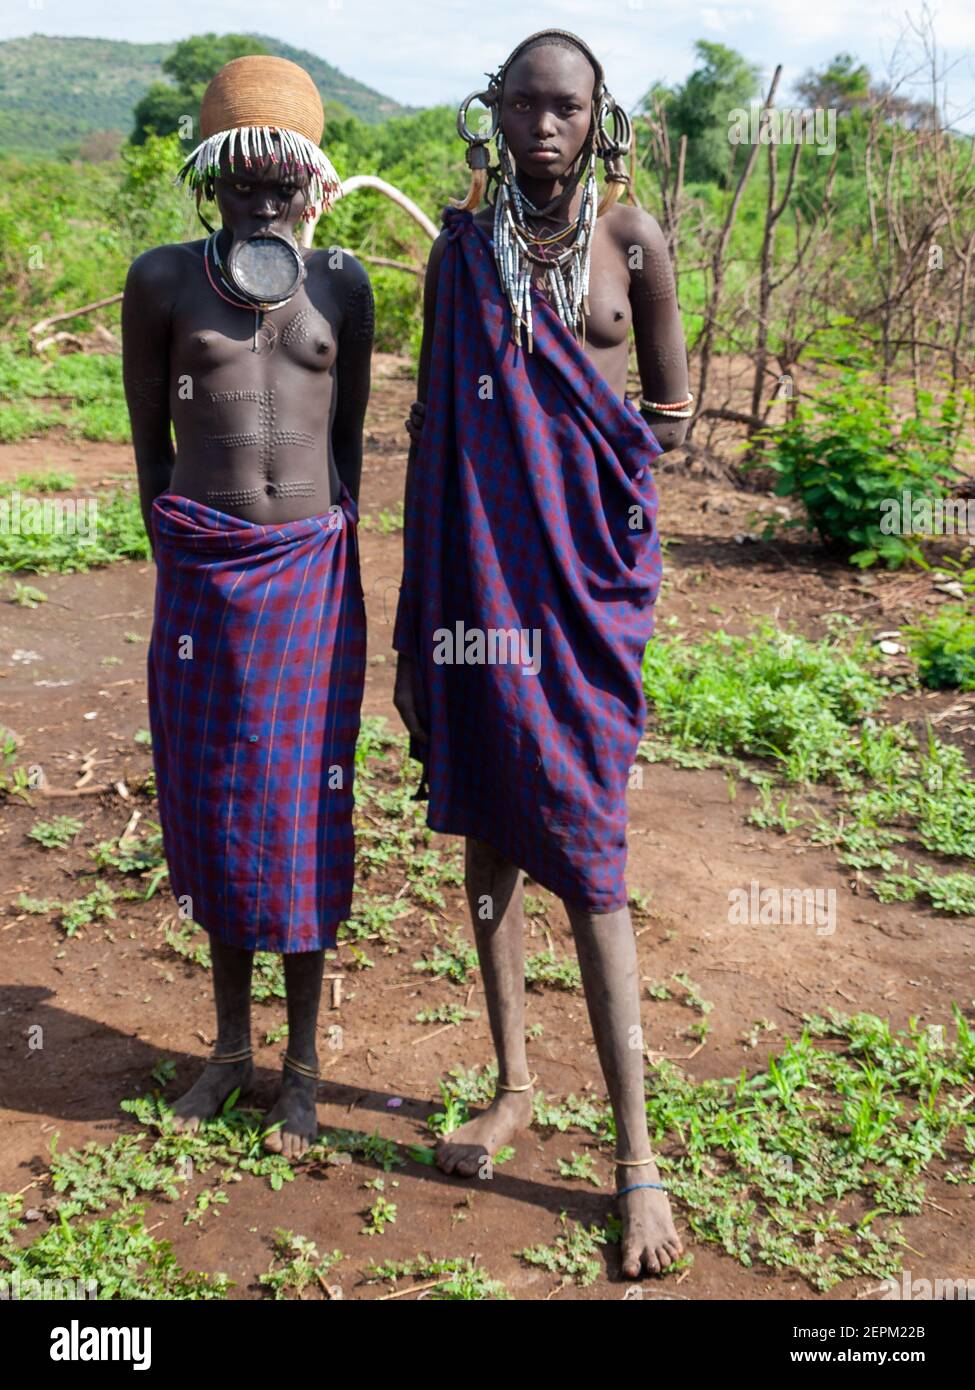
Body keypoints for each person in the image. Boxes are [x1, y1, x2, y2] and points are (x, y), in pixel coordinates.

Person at [393, 29, 689, 1276]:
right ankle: (512, 1083)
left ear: (598, 115)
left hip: (582, 600)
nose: (546, 129)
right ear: (494, 114)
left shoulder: (633, 240)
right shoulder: (462, 255)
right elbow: (430, 426)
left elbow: (668, 408)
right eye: (525, 106)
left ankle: (636, 1164)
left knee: (593, 859)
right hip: (483, 590)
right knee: (492, 834)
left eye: (567, 108)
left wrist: (594, 490)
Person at [122, 54, 373, 1158]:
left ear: (313, 184)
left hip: (309, 581)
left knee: (303, 816)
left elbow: (350, 449)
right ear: (209, 182)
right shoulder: (164, 282)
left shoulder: (344, 287)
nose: (262, 201)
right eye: (243, 181)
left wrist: (315, 543)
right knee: (224, 809)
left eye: (284, 183)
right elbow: (149, 447)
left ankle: (305, 1071)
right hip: (207, 580)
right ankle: (229, 1050)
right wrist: (187, 555)